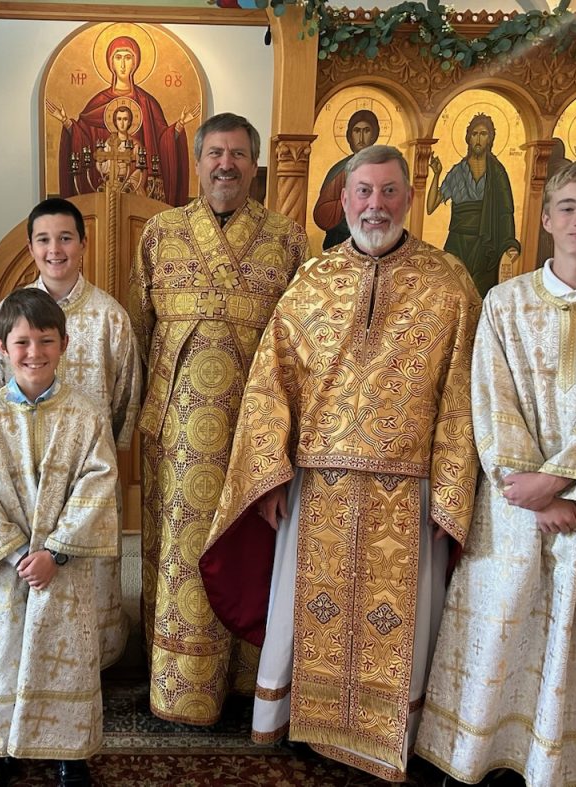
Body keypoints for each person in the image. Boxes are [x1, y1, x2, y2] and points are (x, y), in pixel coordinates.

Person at [200, 144, 481, 781]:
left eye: (387, 192)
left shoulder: (449, 282)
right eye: (363, 192)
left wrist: (454, 492)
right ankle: (305, 720)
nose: (374, 205)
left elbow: (464, 395)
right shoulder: (313, 281)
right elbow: (272, 381)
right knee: (308, 609)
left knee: (402, 623)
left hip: (408, 488)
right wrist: (268, 471)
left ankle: (393, 734)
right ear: (345, 198)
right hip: (317, 482)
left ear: (407, 198)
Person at [416, 157, 576, 785]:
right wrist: (526, 485)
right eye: (568, 207)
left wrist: (555, 483)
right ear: (547, 216)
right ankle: (475, 755)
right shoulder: (505, 303)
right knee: (503, 618)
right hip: (512, 495)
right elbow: (490, 396)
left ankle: (563, 760)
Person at [129, 112, 309, 725]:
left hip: (252, 430)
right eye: (214, 153)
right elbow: (140, 331)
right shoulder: (159, 232)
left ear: (254, 165)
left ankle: (244, 679)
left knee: (246, 544)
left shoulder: (288, 240)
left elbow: (296, 347)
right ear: (198, 161)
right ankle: (173, 682)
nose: (225, 164)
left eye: (237, 154)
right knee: (179, 550)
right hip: (176, 429)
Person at [0, 288, 119, 787]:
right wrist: (20, 552)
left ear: (64, 343)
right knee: (4, 655)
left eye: (46, 340)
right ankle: (0, 749)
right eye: (22, 342)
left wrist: (57, 551)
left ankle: (70, 750)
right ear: (2, 346)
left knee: (65, 655)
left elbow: (99, 483)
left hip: (63, 567)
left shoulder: (85, 414)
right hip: (11, 565)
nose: (34, 352)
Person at [0, 197, 140, 669]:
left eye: (65, 238)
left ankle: (95, 660)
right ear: (31, 247)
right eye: (44, 239)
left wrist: (103, 459)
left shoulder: (110, 317)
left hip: (89, 475)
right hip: (25, 475)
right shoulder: (7, 315)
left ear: (83, 244)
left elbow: (125, 395)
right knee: (33, 572)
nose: (55, 249)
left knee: (90, 576)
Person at [47, 35, 199, 205]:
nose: (123, 64)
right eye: (118, 58)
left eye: (128, 58)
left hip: (138, 192)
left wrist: (179, 126)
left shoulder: (147, 103)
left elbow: (162, 140)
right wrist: (67, 122)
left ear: (135, 62)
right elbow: (83, 137)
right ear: (110, 63)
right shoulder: (97, 102)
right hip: (104, 188)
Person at [427, 112, 520, 297]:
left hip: (484, 245)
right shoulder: (457, 172)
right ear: (468, 138)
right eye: (475, 134)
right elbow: (431, 206)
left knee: (479, 295)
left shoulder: (498, 173)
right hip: (458, 242)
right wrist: (436, 174)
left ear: (490, 139)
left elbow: (505, 211)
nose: (478, 139)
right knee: (453, 293)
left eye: (484, 134)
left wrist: (509, 243)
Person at [312, 108, 379, 250]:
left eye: (366, 131)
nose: (361, 137)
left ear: (374, 135)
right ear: (349, 136)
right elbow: (322, 213)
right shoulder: (340, 170)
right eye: (356, 131)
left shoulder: (384, 169)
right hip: (341, 240)